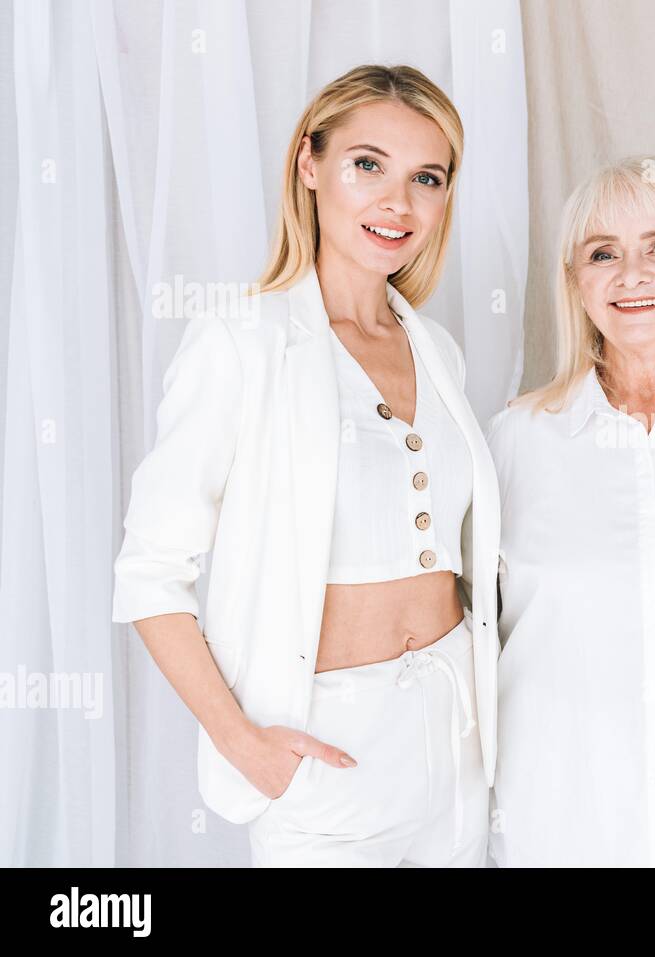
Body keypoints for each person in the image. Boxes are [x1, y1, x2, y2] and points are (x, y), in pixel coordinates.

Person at [111, 65, 499, 867]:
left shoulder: (438, 351)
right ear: (309, 165)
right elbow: (150, 572)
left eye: (426, 178)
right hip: (329, 749)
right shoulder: (241, 343)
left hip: (458, 733)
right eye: (368, 164)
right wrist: (241, 742)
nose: (397, 203)